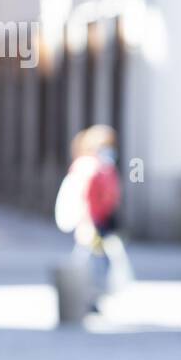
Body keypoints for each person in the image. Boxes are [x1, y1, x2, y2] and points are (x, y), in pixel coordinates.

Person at [54, 124, 133, 310]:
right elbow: (83, 196)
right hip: (93, 222)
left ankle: (88, 296)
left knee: (93, 258)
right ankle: (86, 297)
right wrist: (86, 223)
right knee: (92, 260)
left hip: (103, 221)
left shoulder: (103, 165)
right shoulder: (88, 165)